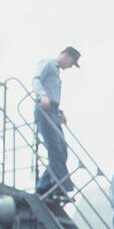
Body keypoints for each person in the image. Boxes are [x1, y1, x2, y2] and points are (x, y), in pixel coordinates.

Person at [31, 46, 81, 200]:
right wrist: (42, 95)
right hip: (44, 110)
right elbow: (36, 79)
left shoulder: (57, 70)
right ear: (66, 56)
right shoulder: (48, 63)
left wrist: (59, 111)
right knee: (55, 149)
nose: (70, 67)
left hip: (53, 111)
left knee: (62, 150)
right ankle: (61, 187)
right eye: (71, 63)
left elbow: (53, 95)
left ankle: (43, 186)